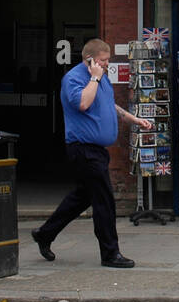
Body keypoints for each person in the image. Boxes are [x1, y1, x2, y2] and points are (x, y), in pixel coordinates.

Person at [31, 39, 152, 268]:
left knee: (82, 197)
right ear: (90, 59)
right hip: (84, 149)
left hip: (97, 150)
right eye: (104, 61)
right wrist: (94, 77)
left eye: (107, 61)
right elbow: (84, 104)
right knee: (104, 200)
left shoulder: (102, 79)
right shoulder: (74, 79)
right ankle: (110, 253)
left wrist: (133, 119)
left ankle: (45, 234)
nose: (107, 65)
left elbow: (109, 105)